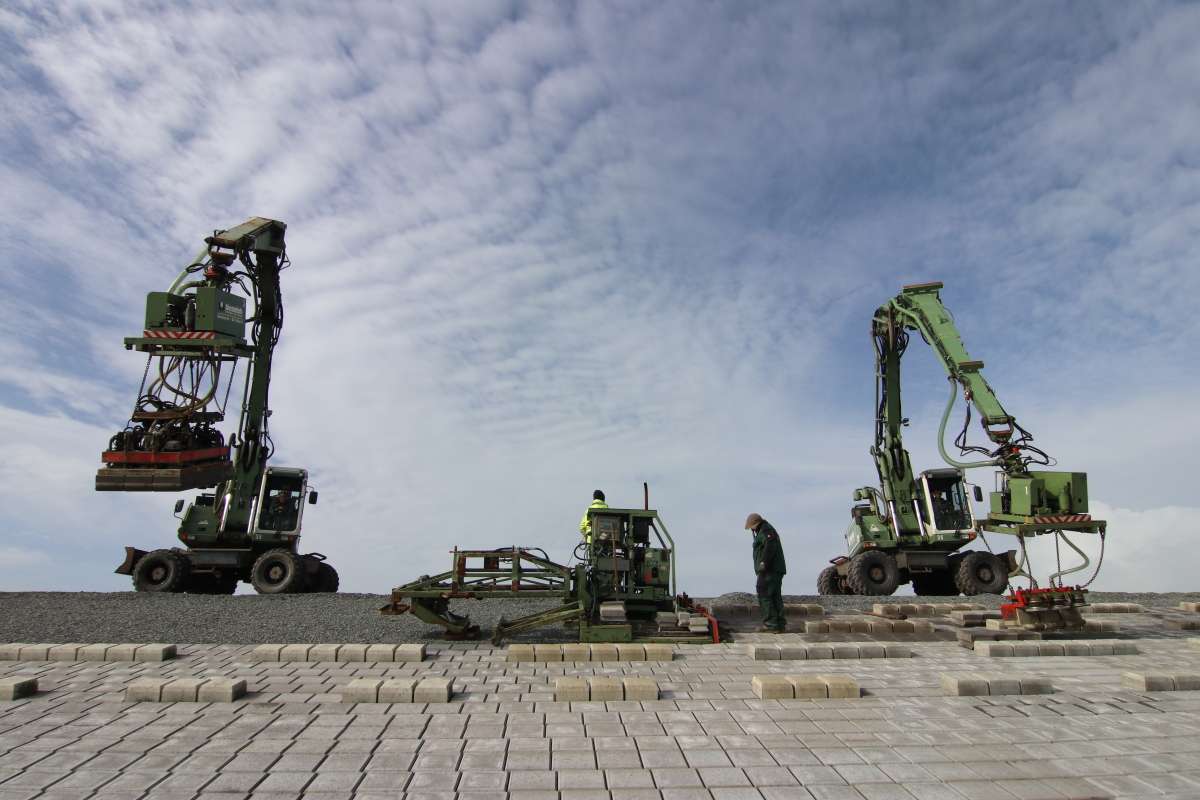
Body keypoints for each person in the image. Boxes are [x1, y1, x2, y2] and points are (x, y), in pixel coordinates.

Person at [745, 513, 787, 633]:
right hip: (776, 569)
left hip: (769, 570)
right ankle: (779, 624)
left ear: (755, 524)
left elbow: (770, 545)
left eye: (751, 527)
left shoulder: (765, 529)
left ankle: (771, 624)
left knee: (764, 594)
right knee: (774, 596)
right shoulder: (767, 529)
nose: (751, 530)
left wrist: (763, 562)